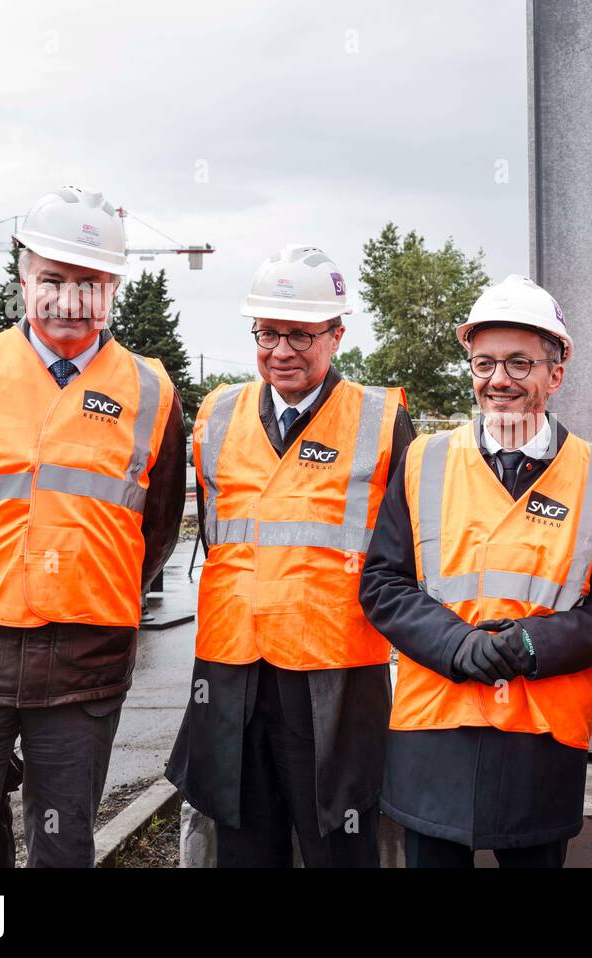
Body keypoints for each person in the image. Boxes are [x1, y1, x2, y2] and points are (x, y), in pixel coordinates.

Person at [0, 186, 186, 867]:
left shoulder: (152, 394)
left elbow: (154, 531)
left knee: (62, 848)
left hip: (83, 665)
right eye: (52, 280)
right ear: (23, 277)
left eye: (88, 283)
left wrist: (90, 591)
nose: (69, 300)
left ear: (113, 287)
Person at [359, 275, 592, 867]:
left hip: (542, 730)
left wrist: (531, 644)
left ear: (554, 374)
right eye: (484, 363)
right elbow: (382, 583)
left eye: (518, 363)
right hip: (435, 722)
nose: (499, 380)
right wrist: (457, 646)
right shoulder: (423, 460)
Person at [166, 246, 412, 867]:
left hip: (335, 669)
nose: (281, 351)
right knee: (244, 842)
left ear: (335, 334)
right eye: (268, 333)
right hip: (230, 669)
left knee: (340, 838)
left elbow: (406, 554)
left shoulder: (381, 420)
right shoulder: (217, 413)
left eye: (300, 335)